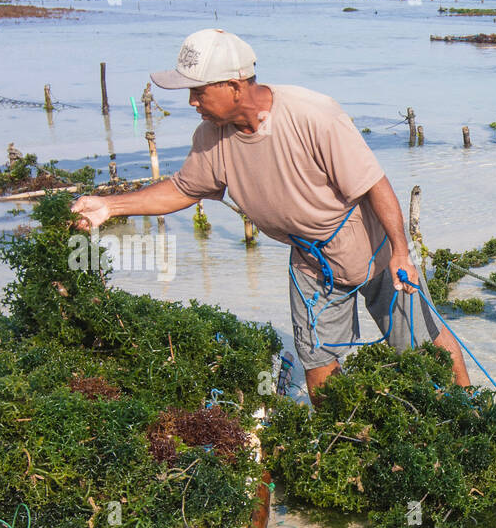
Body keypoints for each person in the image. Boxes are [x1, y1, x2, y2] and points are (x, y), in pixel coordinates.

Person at [70, 29, 471, 401]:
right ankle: (347, 442)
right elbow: (181, 189)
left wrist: (400, 251)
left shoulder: (313, 115)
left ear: (234, 85)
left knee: (426, 345)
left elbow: (374, 185)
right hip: (311, 263)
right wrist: (111, 206)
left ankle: (469, 417)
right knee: (317, 363)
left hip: (372, 248)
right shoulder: (212, 136)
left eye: (198, 90)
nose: (192, 102)